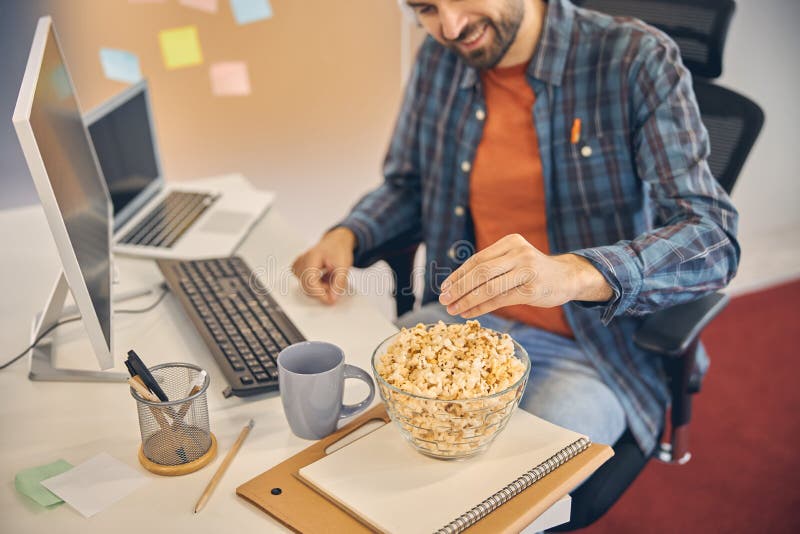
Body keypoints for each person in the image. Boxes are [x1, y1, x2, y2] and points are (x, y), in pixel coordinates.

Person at [291, 0, 739, 455]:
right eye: (425, 8)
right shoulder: (439, 58)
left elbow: (713, 237)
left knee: (494, 489)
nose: (450, 26)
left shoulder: (634, 57)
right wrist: (347, 235)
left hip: (593, 354)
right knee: (348, 433)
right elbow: (410, 188)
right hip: (462, 328)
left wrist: (573, 273)